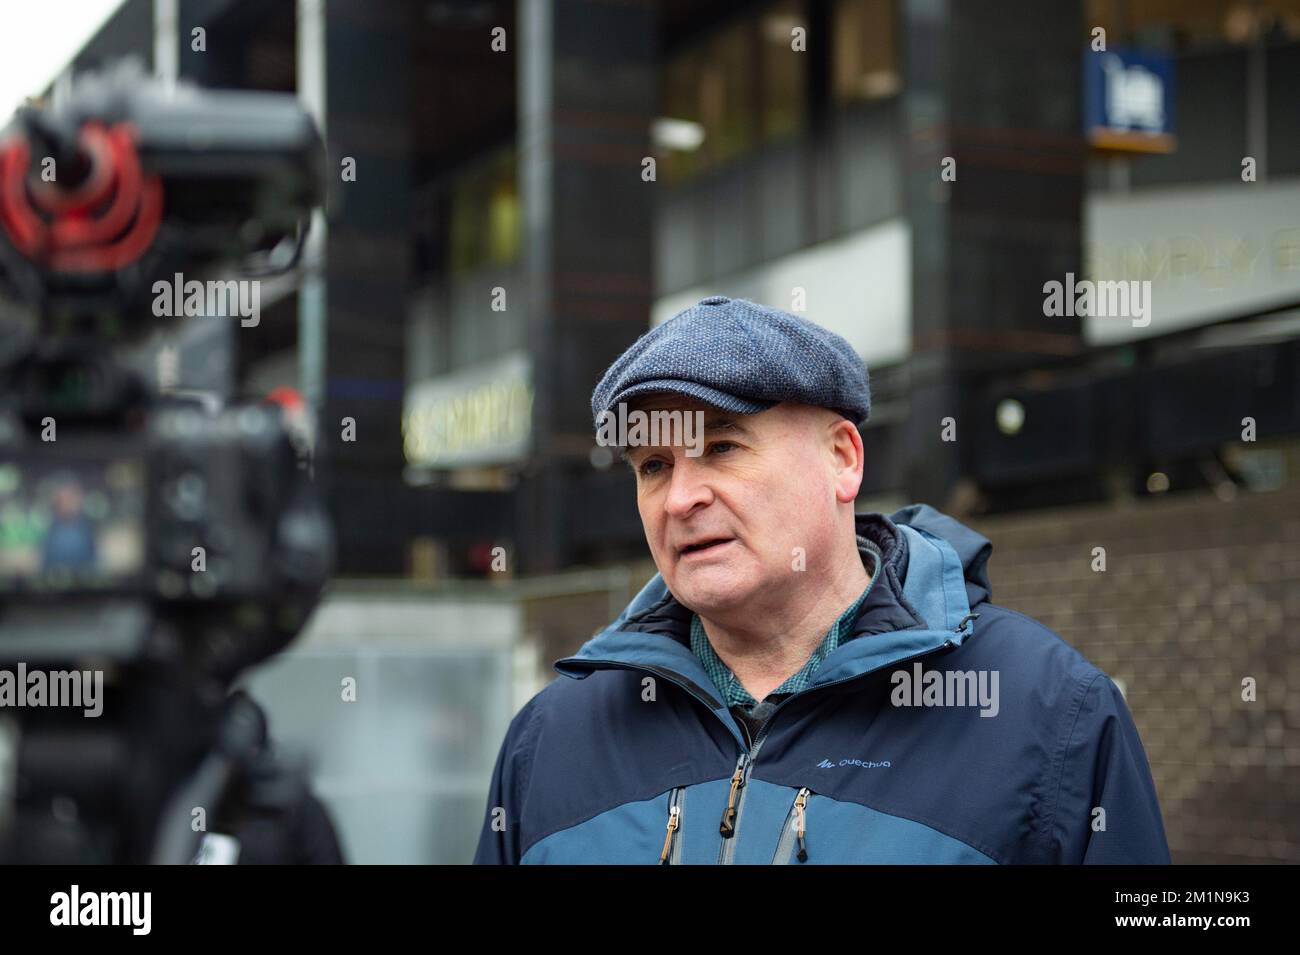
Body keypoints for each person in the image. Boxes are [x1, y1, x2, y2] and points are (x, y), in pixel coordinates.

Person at [473, 295, 1170, 864]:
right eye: (653, 465)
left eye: (720, 446)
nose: (681, 497)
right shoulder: (550, 739)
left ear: (843, 458)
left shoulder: (1050, 714)